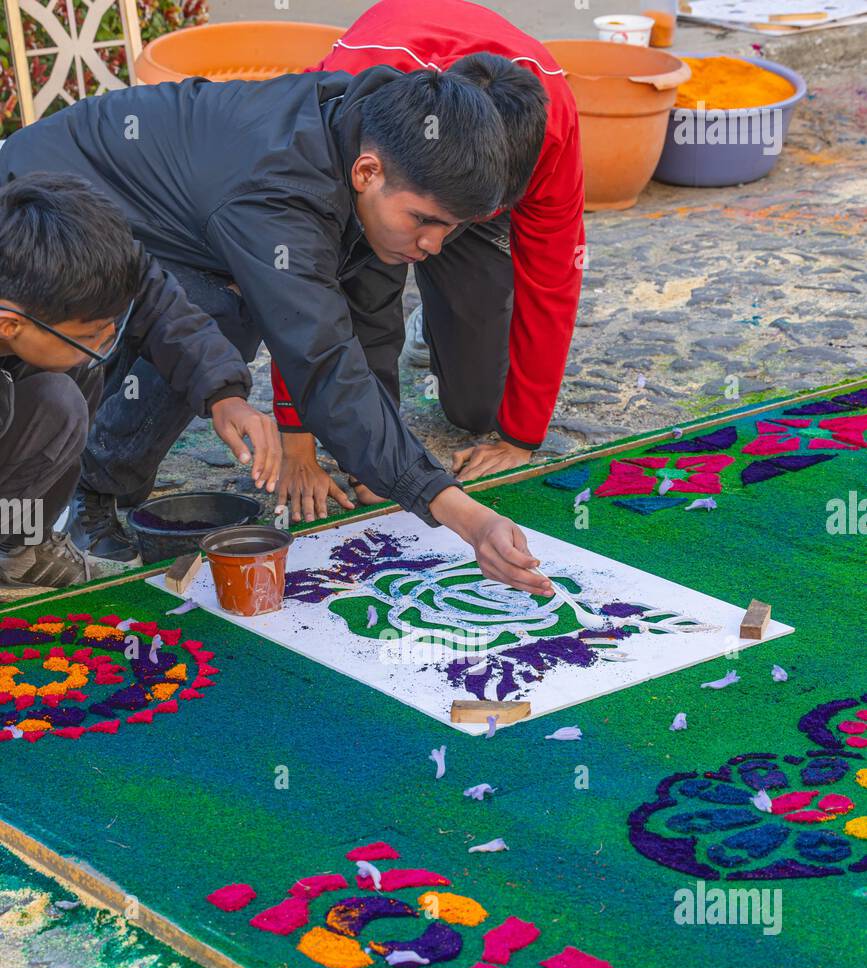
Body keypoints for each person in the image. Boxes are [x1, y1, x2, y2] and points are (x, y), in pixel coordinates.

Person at [0, 64, 552, 596]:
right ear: (366, 173)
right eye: (425, 221)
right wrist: (461, 513)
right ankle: (87, 488)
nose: (433, 245)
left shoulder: (370, 133)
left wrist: (230, 397)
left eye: (450, 228)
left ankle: (92, 467)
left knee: (212, 316)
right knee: (194, 324)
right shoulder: (279, 197)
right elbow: (323, 362)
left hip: (152, 219)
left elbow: (365, 331)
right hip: (48, 214)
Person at [273, 0, 585, 520]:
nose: (437, 240)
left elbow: (553, 279)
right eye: (434, 222)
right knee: (366, 296)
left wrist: (521, 437)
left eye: (465, 218)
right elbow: (291, 271)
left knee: (477, 409)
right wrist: (296, 435)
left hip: (453, 188)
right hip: (388, 179)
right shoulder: (360, 90)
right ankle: (373, 437)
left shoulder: (553, 125)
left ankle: (432, 324)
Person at [0, 174, 280, 589]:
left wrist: (225, 393)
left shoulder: (85, 258)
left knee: (63, 392)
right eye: (90, 334)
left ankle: (18, 542)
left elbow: (159, 305)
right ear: (10, 324)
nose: (105, 342)